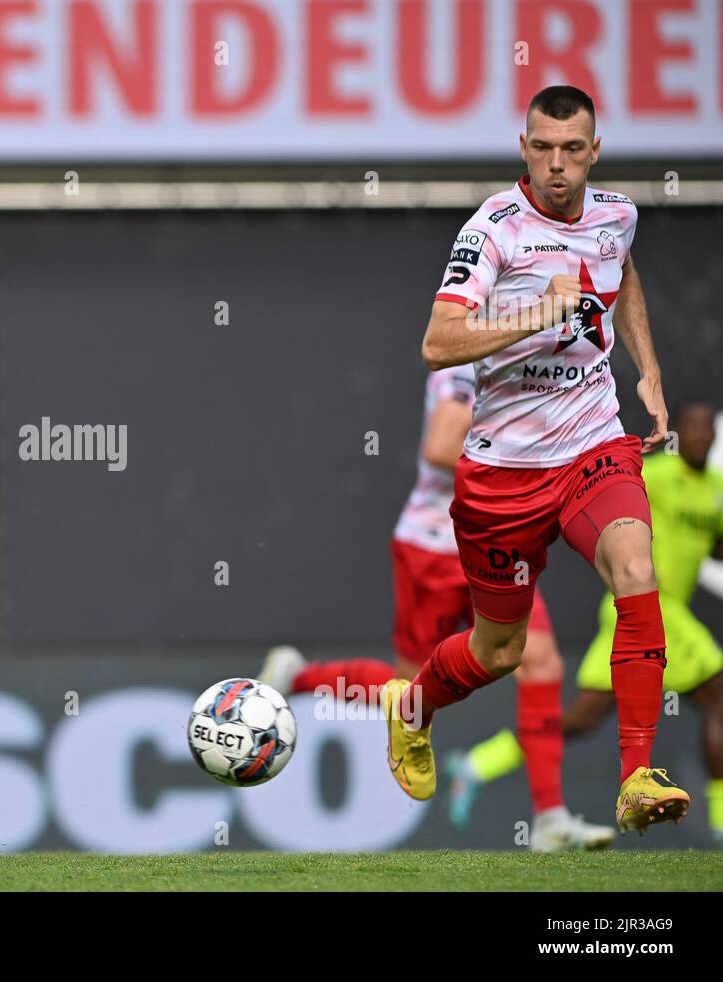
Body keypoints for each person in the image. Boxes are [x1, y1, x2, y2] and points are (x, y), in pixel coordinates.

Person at [384, 83, 689, 835]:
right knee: (501, 648)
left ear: (595, 152)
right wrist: (536, 311)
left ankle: (635, 776)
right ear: (524, 149)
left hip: (592, 444)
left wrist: (646, 369)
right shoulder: (494, 229)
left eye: (572, 149)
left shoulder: (618, 214)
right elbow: (436, 344)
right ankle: (413, 706)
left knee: (636, 569)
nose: (557, 164)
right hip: (502, 472)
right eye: (543, 148)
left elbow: (623, 277)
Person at [261, 364, 612, 849]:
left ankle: (549, 819)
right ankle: (300, 677)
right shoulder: (469, 364)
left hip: (497, 542)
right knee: (408, 692)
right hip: (435, 544)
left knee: (541, 663)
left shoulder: (536, 355)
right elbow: (442, 447)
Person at [447, 399, 723, 846]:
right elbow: (607, 500)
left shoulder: (715, 489)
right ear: (679, 435)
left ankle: (480, 762)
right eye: (689, 427)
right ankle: (720, 821)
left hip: (647, 615)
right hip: (650, 605)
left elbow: (716, 547)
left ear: (714, 436)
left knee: (582, 718)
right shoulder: (656, 475)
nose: (697, 435)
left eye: (705, 428)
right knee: (718, 700)